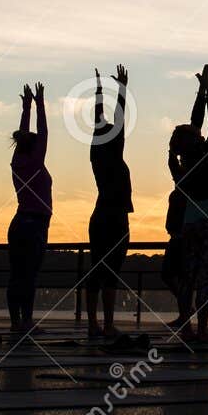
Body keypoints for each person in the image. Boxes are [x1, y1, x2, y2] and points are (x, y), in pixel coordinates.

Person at [166, 64, 208, 341]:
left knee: (187, 276)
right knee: (205, 278)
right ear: (196, 139)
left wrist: (202, 91)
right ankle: (202, 330)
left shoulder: (184, 161)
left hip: (191, 222)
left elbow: (196, 122)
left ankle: (187, 326)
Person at [86, 66, 132, 339]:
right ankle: (103, 324)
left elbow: (102, 119)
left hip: (104, 215)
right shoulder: (112, 154)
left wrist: (101, 92)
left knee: (100, 269)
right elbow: (117, 119)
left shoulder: (96, 155)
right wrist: (121, 90)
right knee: (108, 271)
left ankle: (97, 323)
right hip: (112, 217)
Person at [8, 82, 53, 334]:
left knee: (17, 275)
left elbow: (27, 135)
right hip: (35, 224)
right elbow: (42, 132)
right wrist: (39, 104)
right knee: (29, 276)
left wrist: (26, 107)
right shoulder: (35, 162)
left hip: (20, 222)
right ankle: (25, 322)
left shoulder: (18, 161)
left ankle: (17, 322)